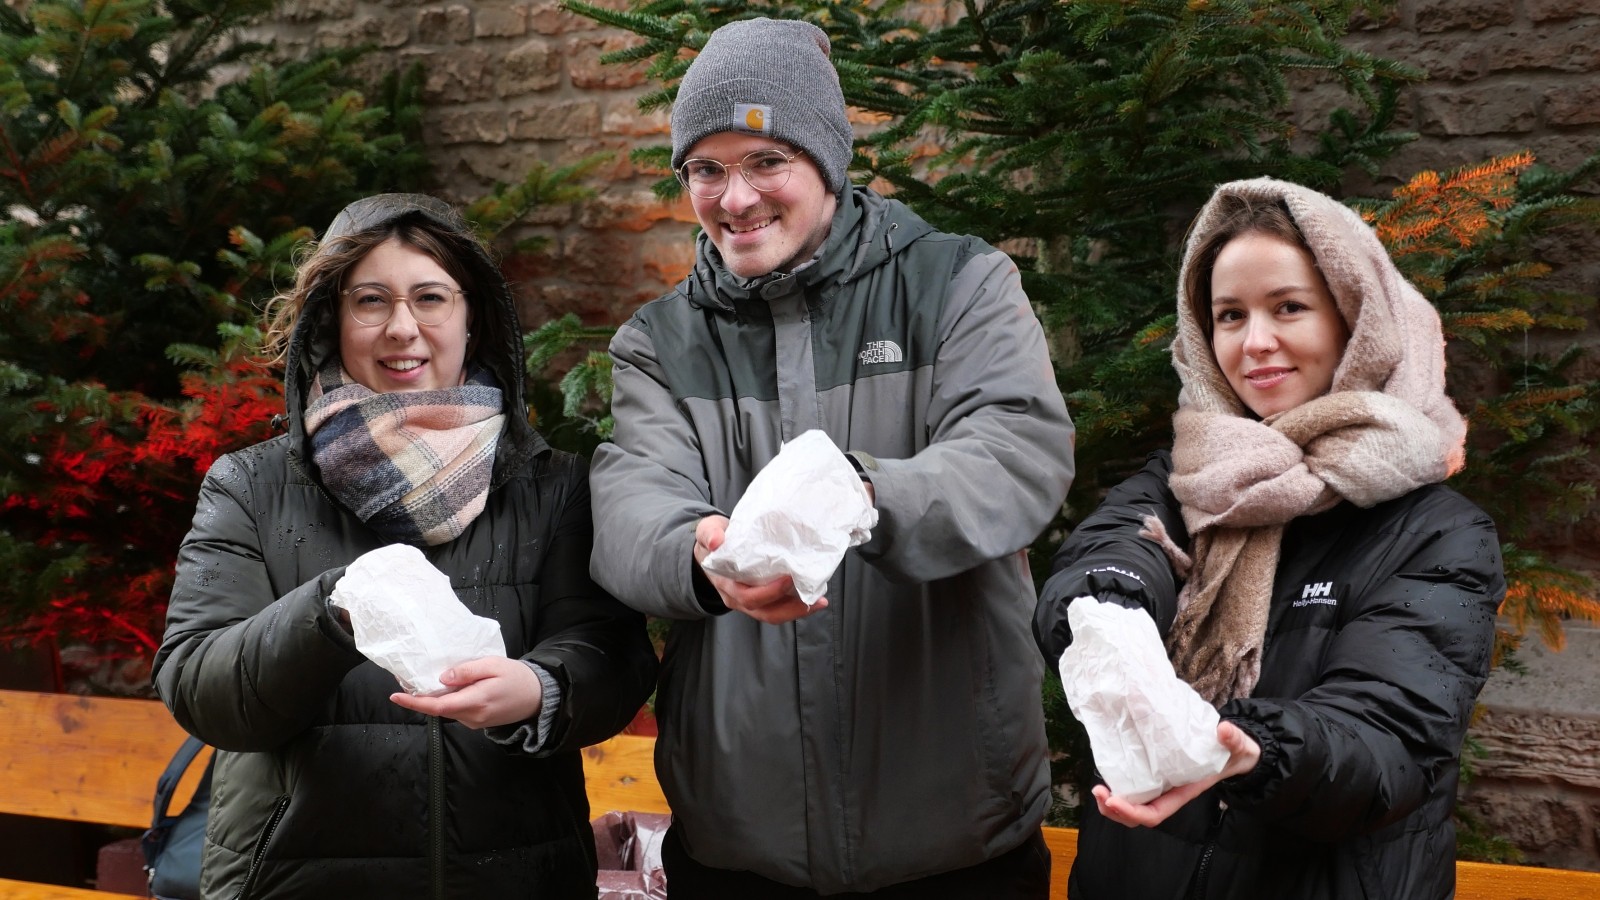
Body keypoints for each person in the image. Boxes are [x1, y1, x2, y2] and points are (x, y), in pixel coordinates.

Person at [586, 17, 1075, 899]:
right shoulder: (658, 343)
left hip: (956, 833)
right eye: (707, 169)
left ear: (826, 162)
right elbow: (630, 503)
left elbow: (1016, 449)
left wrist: (864, 495)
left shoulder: (960, 283)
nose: (735, 199)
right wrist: (698, 554)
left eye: (766, 160)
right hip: (743, 840)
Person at [153, 193, 659, 899]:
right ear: (333, 317)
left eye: (430, 297)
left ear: (472, 314)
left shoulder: (551, 486)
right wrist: (328, 615)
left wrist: (540, 689)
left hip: (517, 879)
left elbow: (615, 657)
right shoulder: (252, 486)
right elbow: (200, 688)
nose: (402, 328)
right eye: (370, 300)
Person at [1033, 178, 1506, 899]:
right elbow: (1114, 552)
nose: (1255, 343)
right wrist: (1108, 611)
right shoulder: (1186, 480)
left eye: (1289, 307)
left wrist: (1250, 750)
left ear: (1357, 319)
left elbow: (1389, 744)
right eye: (1229, 315)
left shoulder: (1439, 533)